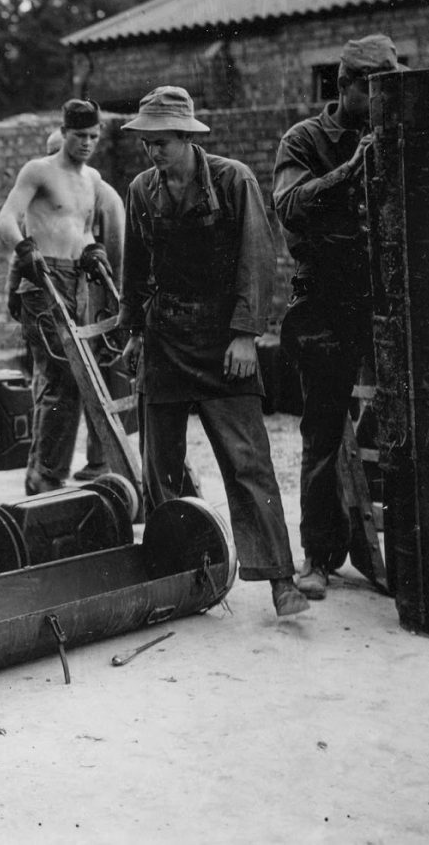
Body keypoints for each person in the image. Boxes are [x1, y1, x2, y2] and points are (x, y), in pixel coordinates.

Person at [119, 86, 309, 617]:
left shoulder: (233, 180)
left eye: (161, 142)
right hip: (165, 339)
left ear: (187, 137)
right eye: (146, 143)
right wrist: (133, 330)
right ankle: (176, 573)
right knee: (160, 469)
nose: (152, 152)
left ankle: (280, 581)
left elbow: (258, 256)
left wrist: (246, 334)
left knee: (248, 464)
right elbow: (136, 266)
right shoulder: (141, 189)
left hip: (225, 341)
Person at [272, 35, 401, 600]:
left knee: (393, 430)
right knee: (323, 433)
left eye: (386, 89)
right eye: (370, 89)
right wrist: (353, 168)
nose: (379, 101)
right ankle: (318, 557)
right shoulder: (305, 140)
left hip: (388, 303)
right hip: (324, 303)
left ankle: (383, 546)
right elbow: (289, 206)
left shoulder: (401, 131)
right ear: (343, 85)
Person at [0, 99, 124, 494]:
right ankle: (43, 478)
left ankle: (54, 472)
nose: (86, 143)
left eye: (93, 136)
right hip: (42, 279)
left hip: (77, 282)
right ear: (64, 132)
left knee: (83, 374)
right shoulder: (39, 170)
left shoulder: (94, 180)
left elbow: (81, 229)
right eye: (79, 135)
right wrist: (23, 249)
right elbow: (6, 219)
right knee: (61, 377)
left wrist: (91, 248)